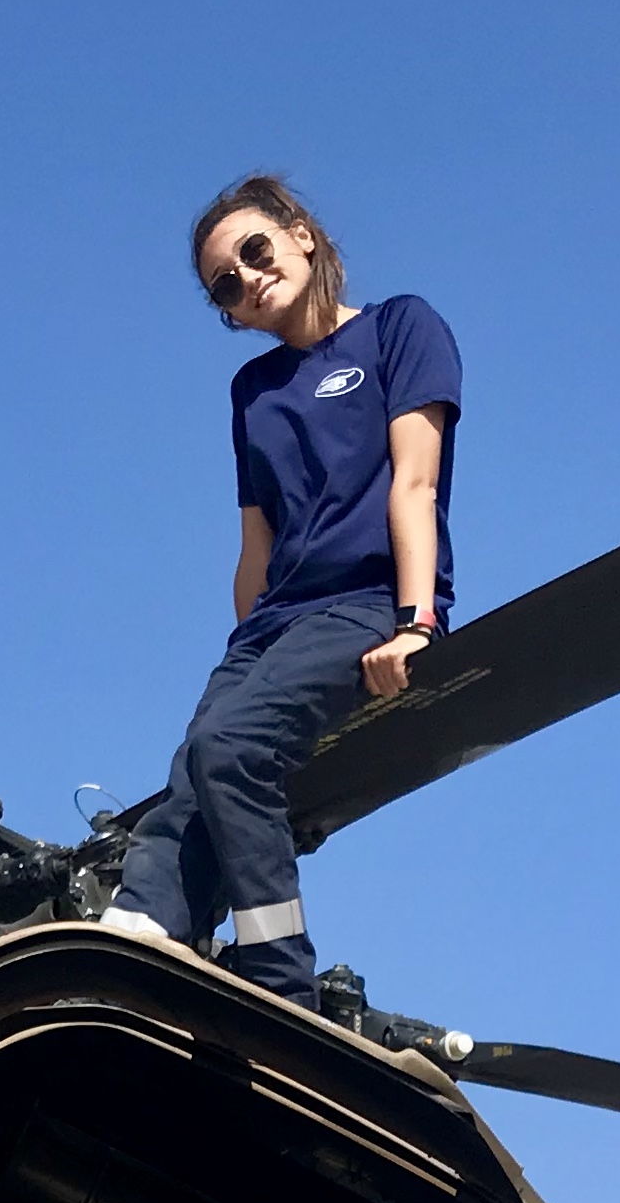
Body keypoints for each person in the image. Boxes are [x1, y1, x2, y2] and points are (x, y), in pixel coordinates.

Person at [106, 175, 458, 1006]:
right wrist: (244, 657)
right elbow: (254, 539)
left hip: (364, 601)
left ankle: (278, 977)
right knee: (199, 758)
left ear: (300, 235)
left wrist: (416, 622)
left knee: (230, 750)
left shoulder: (399, 328)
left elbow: (415, 485)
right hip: (273, 623)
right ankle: (150, 924)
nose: (248, 280)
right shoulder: (253, 391)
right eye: (226, 285)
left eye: (254, 252)